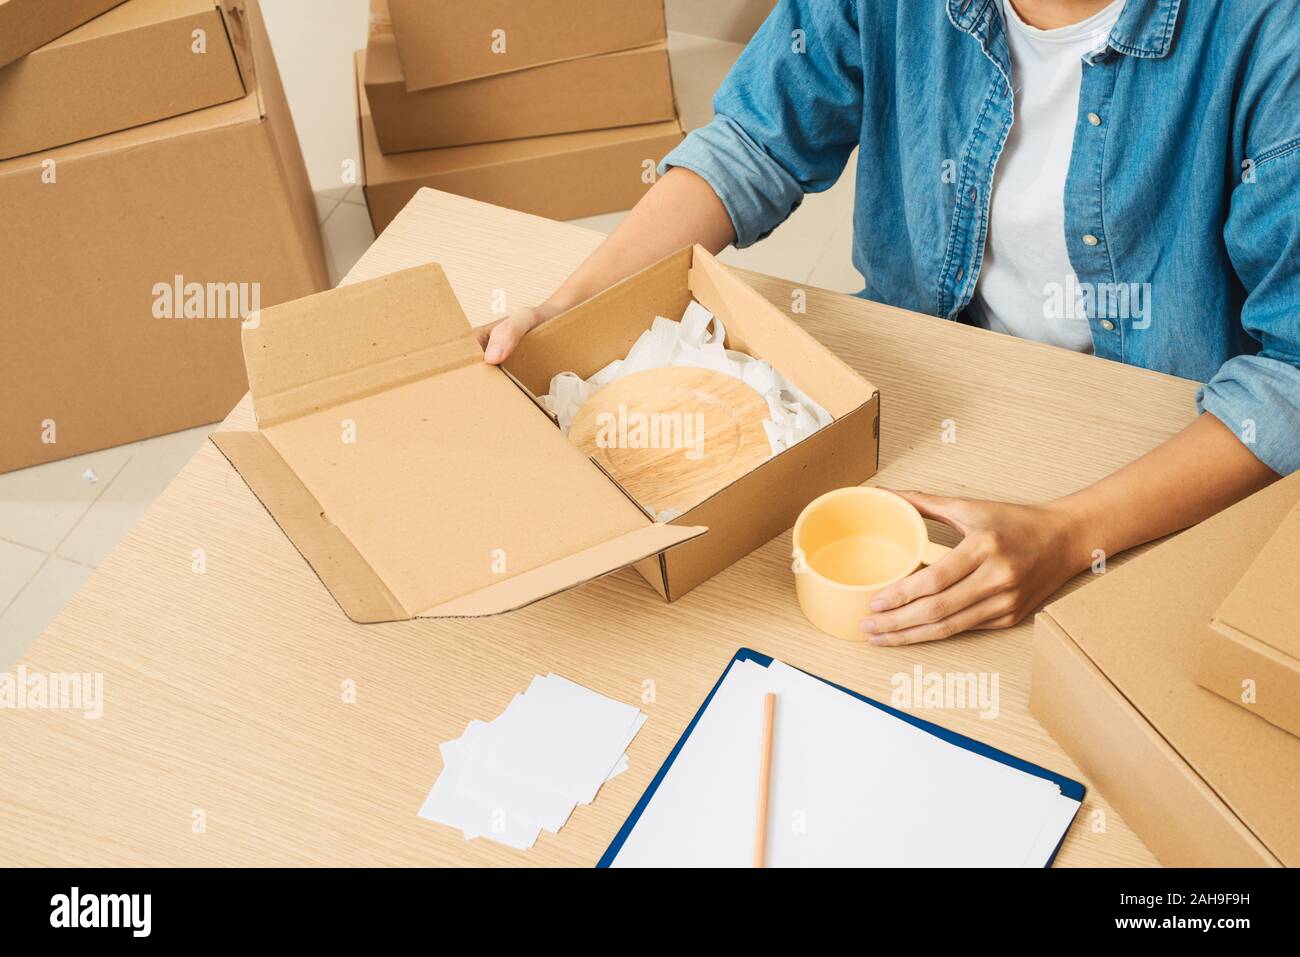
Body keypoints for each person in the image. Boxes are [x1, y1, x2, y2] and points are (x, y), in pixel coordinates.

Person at [477, 0, 1298, 645]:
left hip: (1152, 445)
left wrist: (1070, 533)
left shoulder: (1271, 35)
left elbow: (1289, 374)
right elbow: (754, 145)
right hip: (922, 381)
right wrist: (561, 313)